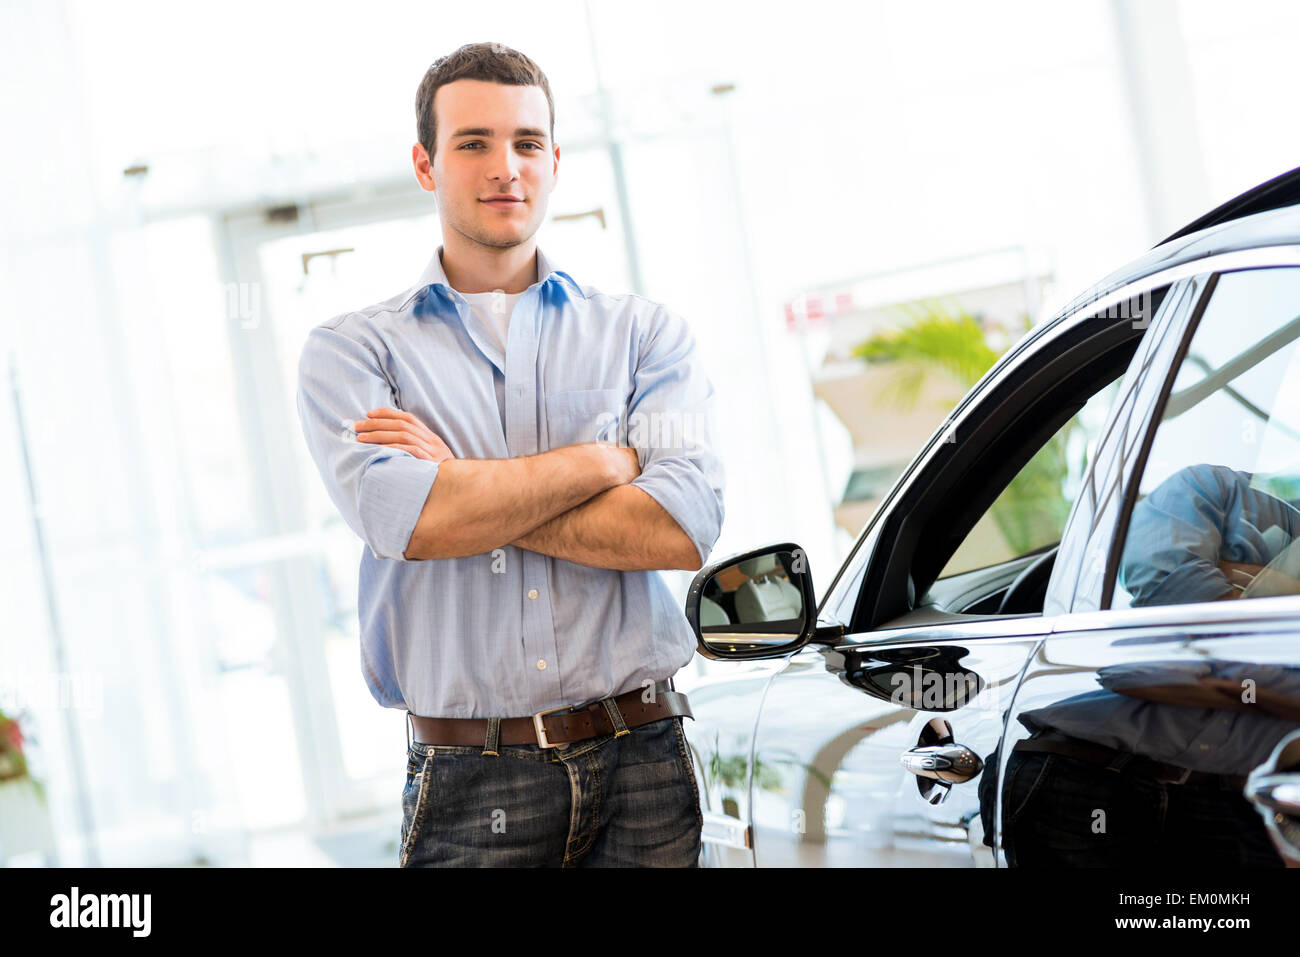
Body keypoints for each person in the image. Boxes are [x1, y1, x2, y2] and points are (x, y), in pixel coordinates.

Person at [294, 42, 725, 866]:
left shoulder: (643, 335)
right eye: (473, 143)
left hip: (644, 757)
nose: (506, 167)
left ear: (555, 161)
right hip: (470, 777)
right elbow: (406, 520)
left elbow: (679, 528)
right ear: (426, 165)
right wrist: (603, 463)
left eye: (527, 143)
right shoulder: (354, 354)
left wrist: (459, 486)